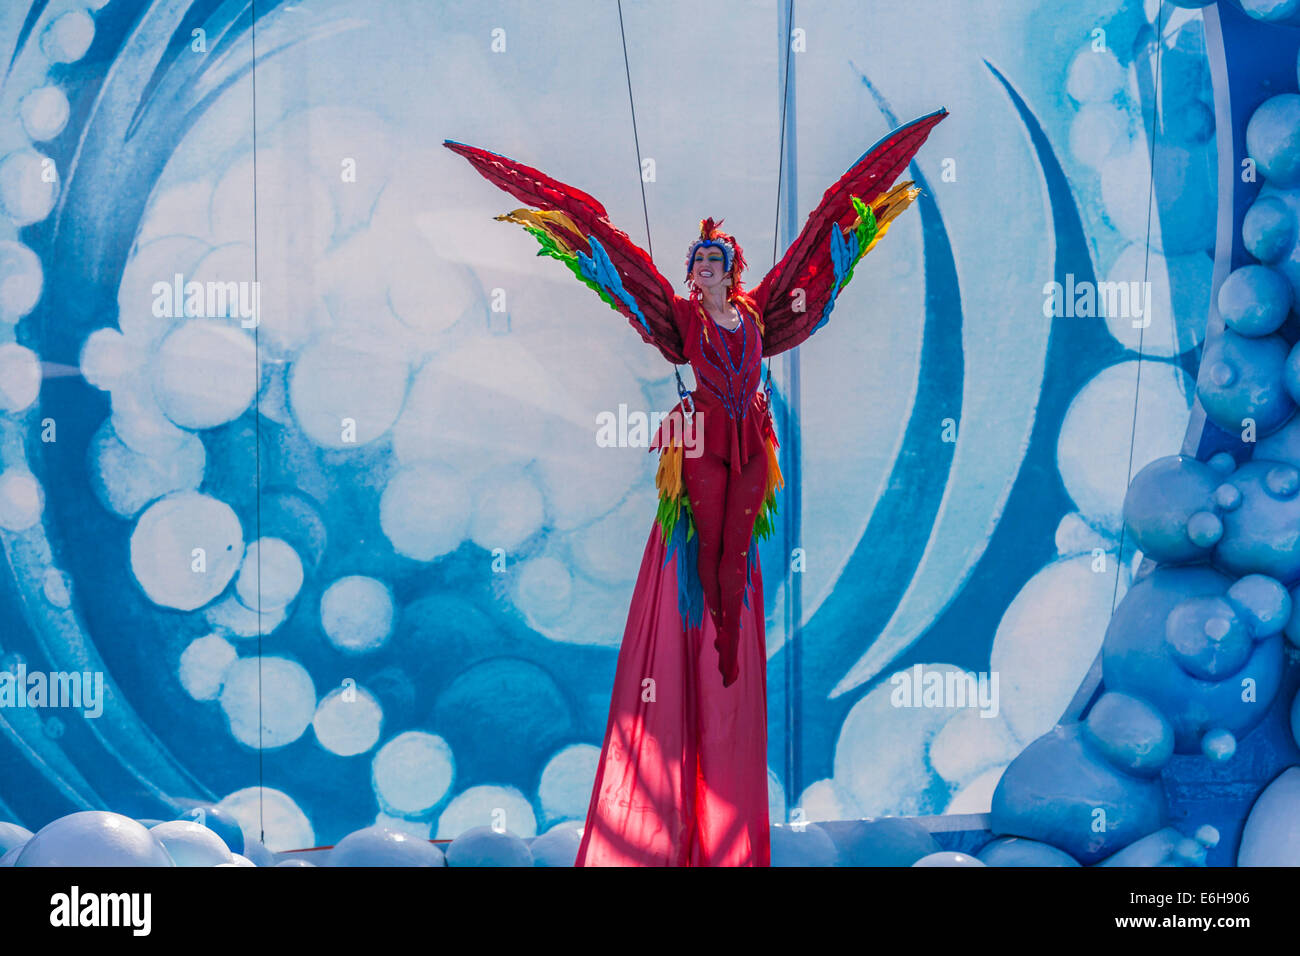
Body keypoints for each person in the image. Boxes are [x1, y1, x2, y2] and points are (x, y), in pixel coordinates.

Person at [443, 107, 947, 865]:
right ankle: (715, 650)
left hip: (754, 448)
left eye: (712, 262)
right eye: (697, 263)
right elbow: (616, 265)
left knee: (738, 558)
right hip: (704, 446)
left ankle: (728, 656)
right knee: (710, 562)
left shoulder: (759, 314)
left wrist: (834, 258)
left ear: (730, 269)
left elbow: (817, 258)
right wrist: (553, 212)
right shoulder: (680, 321)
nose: (702, 270)